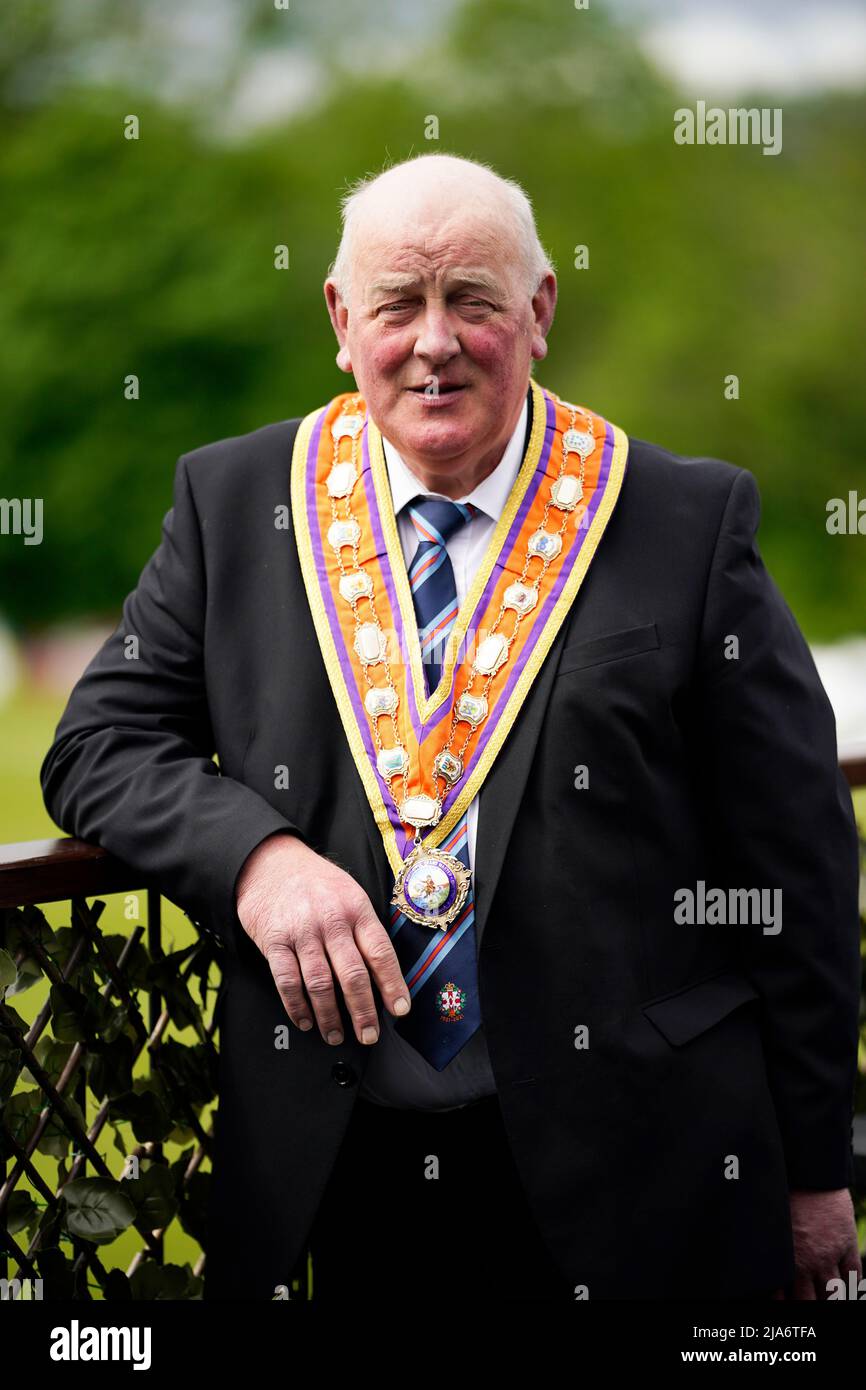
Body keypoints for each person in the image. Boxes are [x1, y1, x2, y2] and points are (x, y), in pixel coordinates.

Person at [40, 153, 862, 1301]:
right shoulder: (232, 504)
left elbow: (797, 860)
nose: (433, 340)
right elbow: (96, 747)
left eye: (471, 299)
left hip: (643, 1163)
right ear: (341, 319)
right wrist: (257, 859)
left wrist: (818, 1168)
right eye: (398, 303)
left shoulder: (683, 517)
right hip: (346, 1163)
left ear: (536, 314)